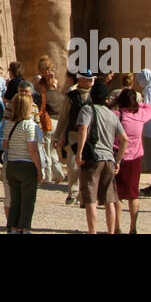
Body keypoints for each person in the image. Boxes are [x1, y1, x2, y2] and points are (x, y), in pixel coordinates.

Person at [75, 79, 127, 233]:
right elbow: (125, 139)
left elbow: (83, 129)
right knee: (109, 199)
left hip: (93, 158)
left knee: (91, 197)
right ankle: (110, 231)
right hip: (109, 158)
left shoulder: (87, 110)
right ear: (106, 98)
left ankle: (93, 231)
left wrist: (79, 152)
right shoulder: (112, 115)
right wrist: (118, 160)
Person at [1, 90, 44, 233]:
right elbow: (32, 149)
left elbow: (5, 145)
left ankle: (12, 227)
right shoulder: (29, 125)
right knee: (28, 200)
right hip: (26, 165)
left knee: (15, 200)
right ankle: (25, 228)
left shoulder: (8, 124)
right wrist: (39, 169)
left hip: (12, 164)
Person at [115, 84, 151, 233]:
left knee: (117, 195)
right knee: (133, 194)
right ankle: (133, 227)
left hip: (118, 155)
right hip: (135, 157)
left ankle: (117, 227)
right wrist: (140, 102)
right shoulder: (140, 116)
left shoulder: (117, 115)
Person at [55, 68, 95, 205]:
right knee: (73, 164)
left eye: (91, 79)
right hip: (73, 134)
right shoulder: (71, 96)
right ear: (80, 79)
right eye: (87, 79)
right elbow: (63, 117)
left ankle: (84, 194)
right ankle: (73, 192)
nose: (90, 81)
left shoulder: (95, 95)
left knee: (89, 164)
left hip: (91, 135)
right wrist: (58, 136)